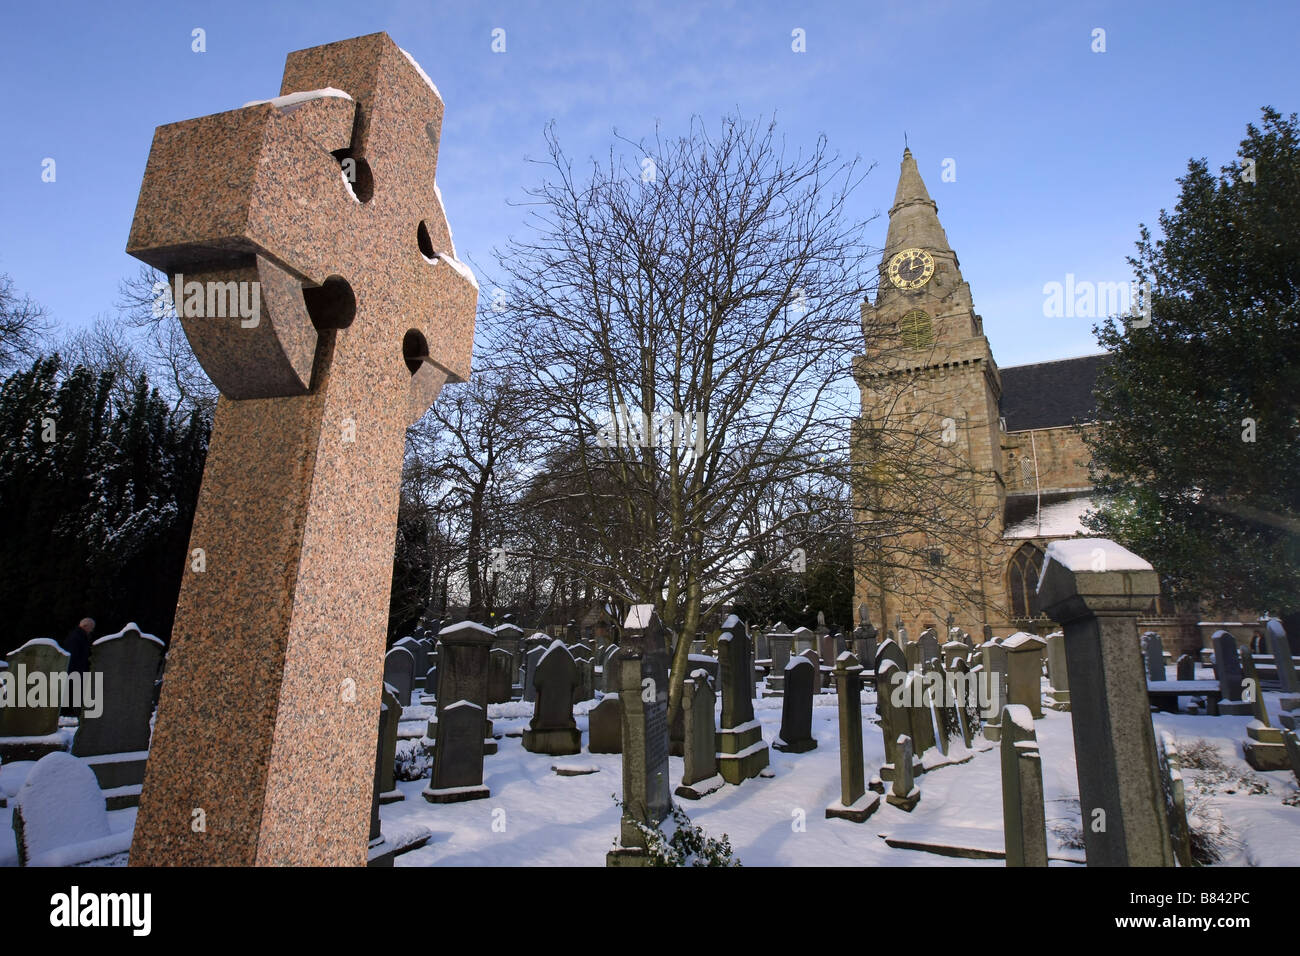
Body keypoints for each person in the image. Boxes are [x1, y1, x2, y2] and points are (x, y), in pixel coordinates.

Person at [60, 617, 94, 716]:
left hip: (76, 670)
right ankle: (69, 713)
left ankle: (71, 712)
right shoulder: (77, 637)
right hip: (74, 670)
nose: (92, 630)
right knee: (72, 694)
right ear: (85, 626)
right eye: (91, 627)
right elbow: (75, 656)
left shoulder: (79, 636)